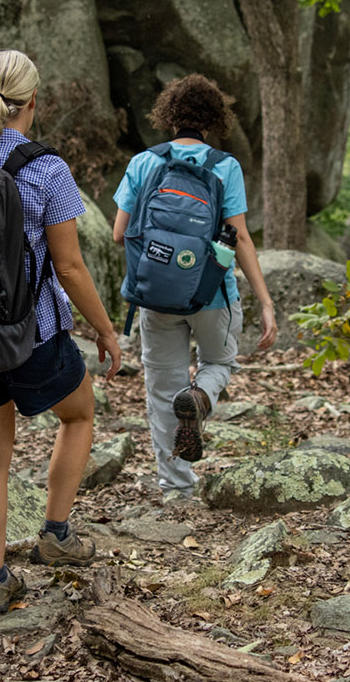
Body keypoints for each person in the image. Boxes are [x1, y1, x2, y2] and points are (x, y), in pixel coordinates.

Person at [0, 49, 123, 617]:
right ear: (33, 102)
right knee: (79, 413)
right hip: (34, 334)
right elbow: (70, 268)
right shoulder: (46, 169)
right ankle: (56, 533)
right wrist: (104, 330)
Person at [112, 74, 277, 500]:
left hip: (155, 295)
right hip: (211, 293)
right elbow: (238, 238)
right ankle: (202, 397)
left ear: (168, 116)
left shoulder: (144, 163)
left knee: (163, 390)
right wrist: (266, 302)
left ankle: (176, 491)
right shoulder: (225, 166)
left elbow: (118, 234)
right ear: (213, 119)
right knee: (220, 362)